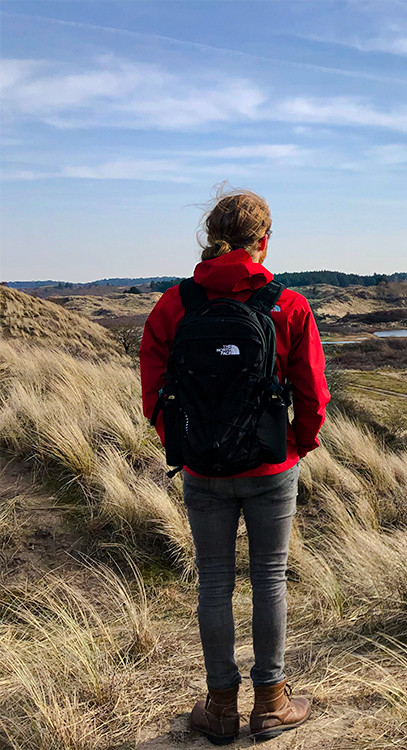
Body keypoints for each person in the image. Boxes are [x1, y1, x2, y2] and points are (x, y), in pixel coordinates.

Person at [140, 187, 330, 743]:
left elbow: (154, 391)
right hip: (272, 466)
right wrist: (297, 445)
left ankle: (221, 707)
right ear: (263, 241)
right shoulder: (287, 305)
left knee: (215, 582)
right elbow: (313, 394)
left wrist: (183, 444)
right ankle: (271, 703)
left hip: (203, 471)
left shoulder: (174, 305)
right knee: (269, 578)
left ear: (210, 237)